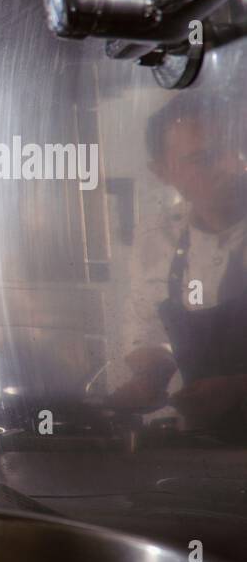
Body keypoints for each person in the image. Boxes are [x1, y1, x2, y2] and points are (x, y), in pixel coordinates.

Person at [106, 93, 247, 441]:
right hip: (209, 450)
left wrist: (239, 388)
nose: (233, 166)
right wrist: (149, 379)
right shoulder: (159, 238)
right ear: (162, 171)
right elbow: (150, 327)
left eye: (238, 149)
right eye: (206, 159)